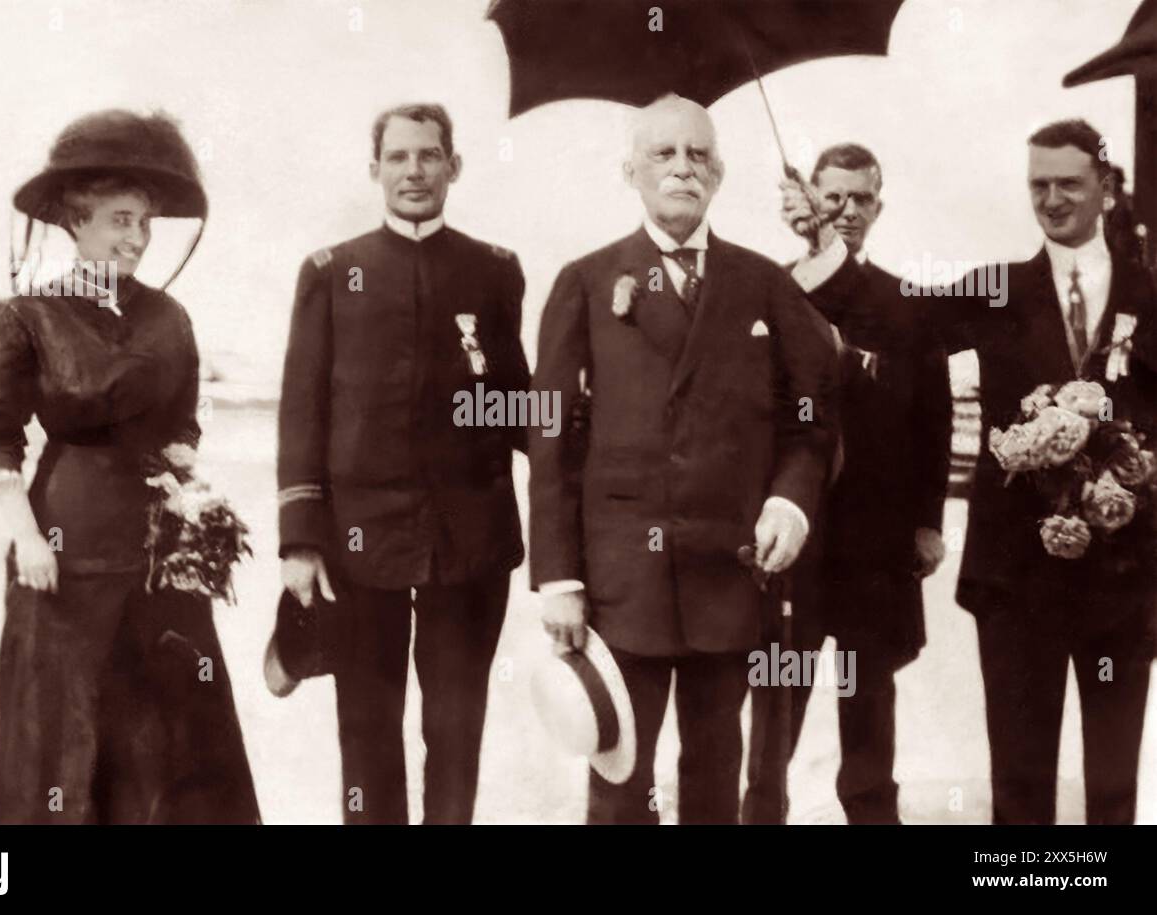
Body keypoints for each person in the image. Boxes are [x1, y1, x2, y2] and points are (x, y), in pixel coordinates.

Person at [795, 118, 1156, 825]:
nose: (1051, 200)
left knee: (1113, 783)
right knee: (1019, 784)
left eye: (1069, 184)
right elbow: (892, 313)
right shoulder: (998, 289)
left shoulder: (1151, 295)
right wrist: (826, 247)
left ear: (1105, 188)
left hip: (1124, 580)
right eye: (1038, 185)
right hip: (1016, 581)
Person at [528, 93, 840, 824]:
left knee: (714, 768)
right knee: (619, 771)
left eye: (697, 154)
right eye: (663, 153)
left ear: (721, 174)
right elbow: (552, 443)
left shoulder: (764, 283)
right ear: (630, 169)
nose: (681, 168)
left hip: (729, 573)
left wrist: (790, 500)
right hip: (619, 581)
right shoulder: (584, 280)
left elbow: (812, 417)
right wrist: (559, 577)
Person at [0, 109, 259, 824]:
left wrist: (198, 506)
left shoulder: (170, 318)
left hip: (161, 556)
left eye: (145, 224)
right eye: (120, 220)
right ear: (78, 221)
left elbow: (182, 428)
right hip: (65, 552)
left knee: (170, 737)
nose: (136, 239)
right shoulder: (25, 315)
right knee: (67, 734)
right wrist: (27, 536)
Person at [272, 103, 530, 824]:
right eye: (398, 157)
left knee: (455, 725)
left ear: (454, 166)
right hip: (359, 541)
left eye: (428, 155)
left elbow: (512, 402)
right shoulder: (331, 271)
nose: (414, 170)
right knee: (366, 724)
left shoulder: (494, 271)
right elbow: (303, 409)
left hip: (470, 541)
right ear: (375, 170)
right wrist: (300, 536)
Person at [744, 143, 952, 825]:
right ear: (806, 203)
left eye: (860, 199)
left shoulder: (906, 303)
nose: (846, 211)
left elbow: (933, 422)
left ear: (879, 206)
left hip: (874, 543)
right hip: (795, 537)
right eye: (831, 197)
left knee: (867, 695)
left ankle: (871, 815)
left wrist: (928, 521)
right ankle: (761, 812)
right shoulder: (771, 289)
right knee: (783, 688)